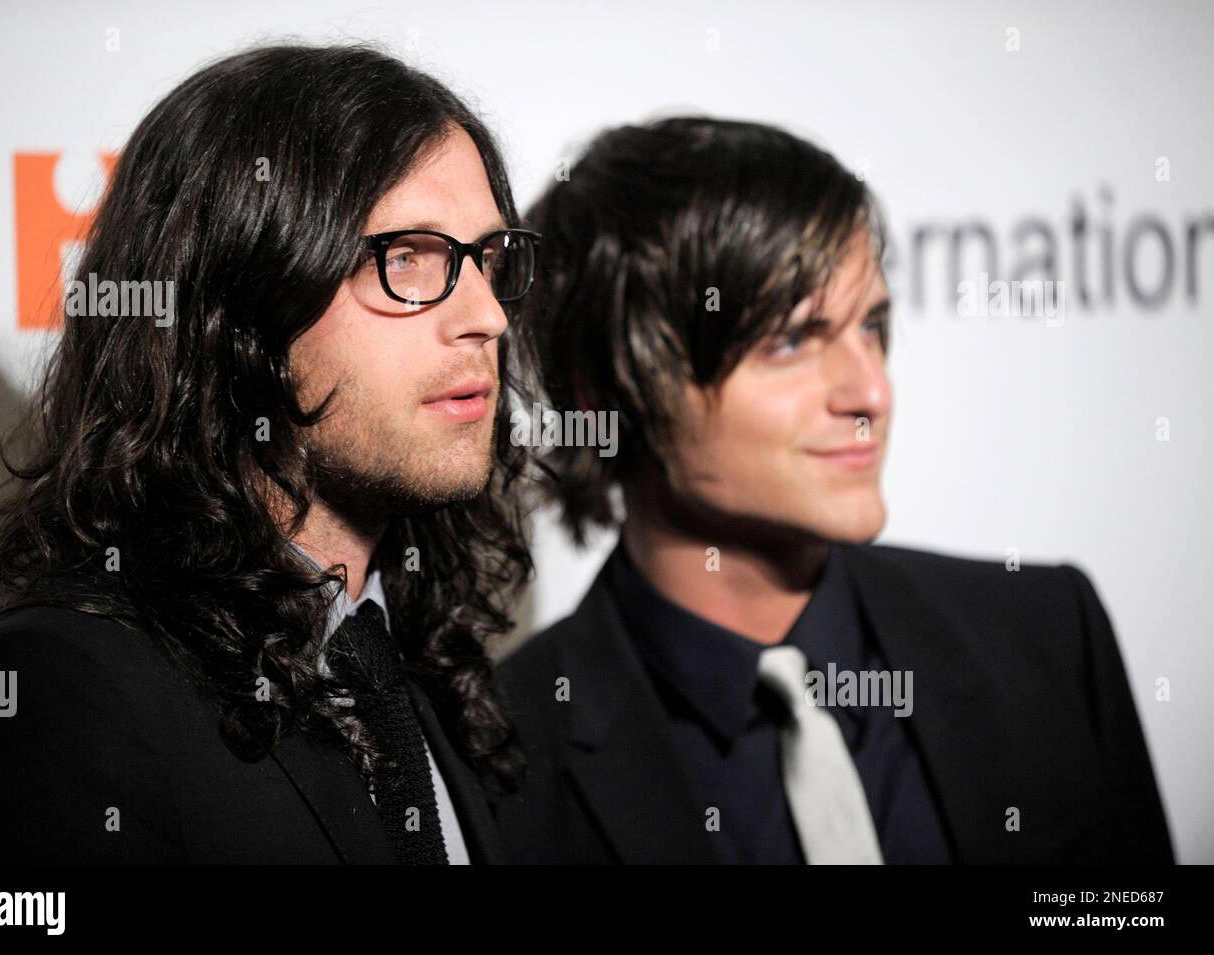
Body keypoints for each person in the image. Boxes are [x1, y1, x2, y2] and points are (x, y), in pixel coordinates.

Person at [0, 43, 541, 864]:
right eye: (408, 258)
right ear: (238, 308)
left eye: (488, 261)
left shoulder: (424, 673)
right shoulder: (60, 695)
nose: (486, 316)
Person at [490, 117, 1174, 864]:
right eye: (791, 340)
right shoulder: (502, 767)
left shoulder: (1045, 638)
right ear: (609, 396)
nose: (872, 390)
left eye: (873, 325)